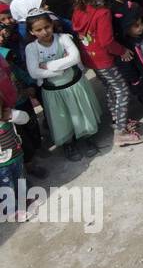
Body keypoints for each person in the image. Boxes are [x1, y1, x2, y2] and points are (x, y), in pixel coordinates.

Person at [72, 0, 143, 147]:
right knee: (122, 90)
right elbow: (107, 41)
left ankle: (117, 120)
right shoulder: (102, 12)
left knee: (111, 89)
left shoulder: (80, 7)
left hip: (90, 58)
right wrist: (122, 51)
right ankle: (120, 132)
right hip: (104, 59)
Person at [25, 12, 102, 161]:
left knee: (81, 112)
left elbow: (75, 57)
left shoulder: (63, 38)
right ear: (31, 32)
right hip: (53, 92)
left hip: (75, 85)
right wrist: (62, 67)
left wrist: (48, 66)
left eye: (47, 27)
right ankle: (68, 143)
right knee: (62, 118)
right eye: (38, 30)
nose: (44, 32)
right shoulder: (31, 48)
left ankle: (87, 138)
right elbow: (34, 72)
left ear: (52, 24)